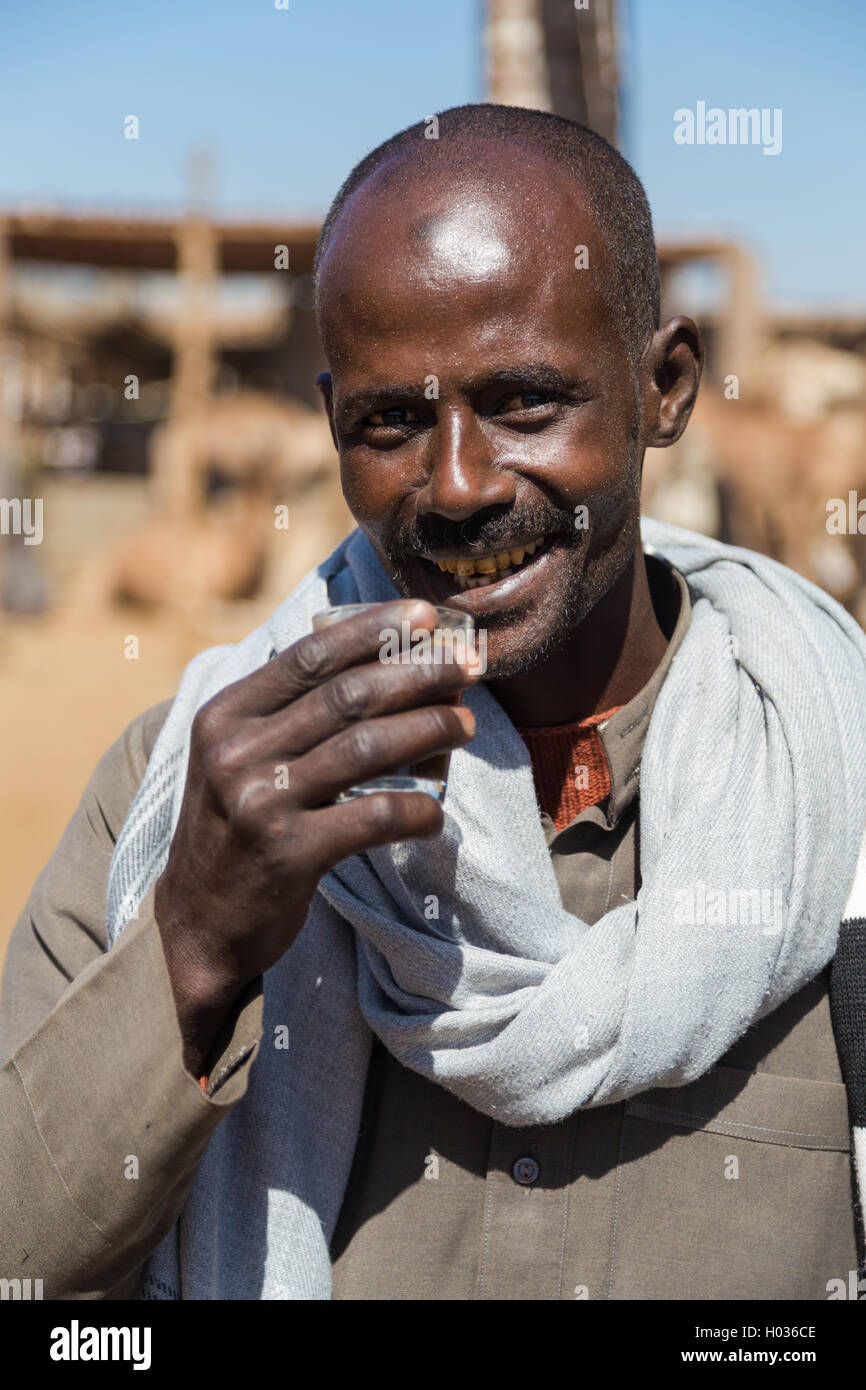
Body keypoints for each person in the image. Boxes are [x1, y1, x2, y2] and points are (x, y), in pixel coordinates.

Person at [3, 104, 866, 1301]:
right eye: (391, 421)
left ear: (663, 388)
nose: (453, 485)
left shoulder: (836, 785)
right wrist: (193, 950)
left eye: (523, 403)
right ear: (332, 425)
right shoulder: (191, 786)